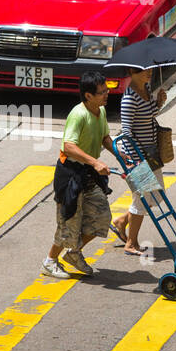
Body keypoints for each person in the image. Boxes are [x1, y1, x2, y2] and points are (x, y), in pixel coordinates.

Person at [44, 72, 114, 279]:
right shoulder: (78, 114)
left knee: (102, 217)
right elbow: (68, 146)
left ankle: (73, 252)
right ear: (88, 96)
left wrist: (123, 155)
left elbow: (104, 137)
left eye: (106, 90)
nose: (106, 94)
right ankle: (50, 262)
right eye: (101, 92)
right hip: (70, 175)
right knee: (69, 224)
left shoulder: (100, 111)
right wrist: (95, 161)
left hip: (88, 174)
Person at [111, 67, 168, 255]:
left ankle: (122, 221)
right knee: (142, 199)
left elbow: (149, 117)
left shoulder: (146, 90)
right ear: (132, 72)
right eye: (144, 70)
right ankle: (131, 243)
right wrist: (135, 161)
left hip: (150, 153)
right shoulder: (129, 98)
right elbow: (126, 133)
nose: (149, 73)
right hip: (137, 156)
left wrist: (158, 103)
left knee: (157, 194)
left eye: (150, 69)